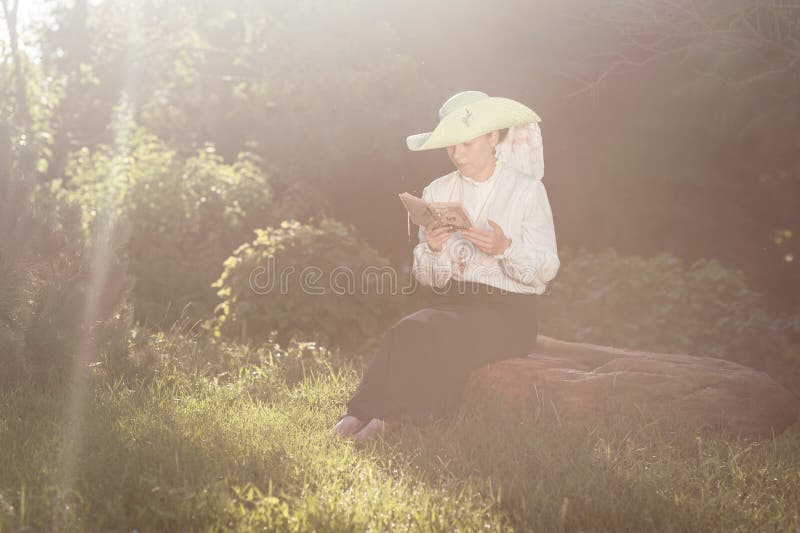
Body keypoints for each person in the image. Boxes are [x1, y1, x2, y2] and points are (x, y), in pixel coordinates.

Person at [333, 90, 560, 440]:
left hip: (510, 313)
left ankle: (393, 421)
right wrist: (436, 249)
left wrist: (505, 248)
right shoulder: (437, 190)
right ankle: (357, 414)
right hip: (456, 303)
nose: (457, 154)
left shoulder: (527, 190)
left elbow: (548, 267)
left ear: (492, 137)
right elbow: (429, 279)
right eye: (451, 146)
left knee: (435, 333)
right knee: (406, 329)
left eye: (466, 144)